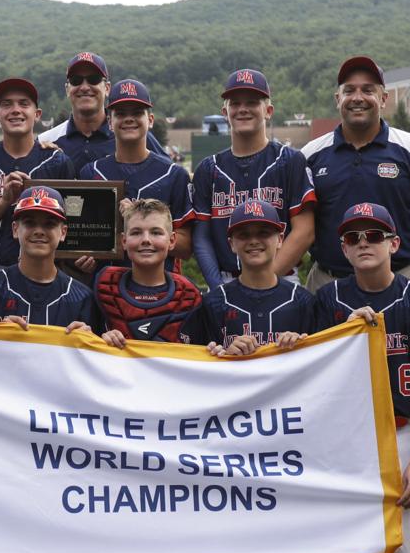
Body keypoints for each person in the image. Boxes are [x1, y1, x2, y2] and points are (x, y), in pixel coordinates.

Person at [313, 202, 410, 553]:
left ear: (393, 244)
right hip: (344, 437)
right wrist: (343, 332)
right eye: (353, 237)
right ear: (343, 248)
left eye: (375, 235)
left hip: (401, 432)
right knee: (329, 546)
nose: (364, 243)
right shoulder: (327, 300)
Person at [302, 56, 410, 291]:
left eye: (368, 90)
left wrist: (400, 258)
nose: (358, 98)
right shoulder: (310, 155)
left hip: (399, 279)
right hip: (328, 282)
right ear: (338, 99)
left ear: (383, 98)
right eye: (349, 91)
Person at [193, 69, 316, 289]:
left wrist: (263, 281)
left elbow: (304, 231)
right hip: (225, 281)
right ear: (225, 111)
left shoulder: (290, 161)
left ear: (268, 110)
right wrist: (217, 288)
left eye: (252, 102)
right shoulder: (208, 169)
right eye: (235, 103)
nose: (242, 109)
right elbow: (202, 237)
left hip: (282, 279)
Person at [0, 78, 74, 290]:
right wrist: (3, 203)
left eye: (24, 103)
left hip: (44, 268)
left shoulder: (57, 161)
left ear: (37, 114)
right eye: (7, 104)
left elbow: (73, 226)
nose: (15, 110)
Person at [79, 79, 194, 273]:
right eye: (121, 113)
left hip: (161, 290)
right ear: (109, 122)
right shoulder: (90, 172)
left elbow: (186, 247)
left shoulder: (174, 174)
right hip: (105, 289)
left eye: (137, 113)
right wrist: (82, 255)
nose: (129, 118)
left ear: (150, 120)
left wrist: (140, 217)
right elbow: (79, 236)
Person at [184, 200, 316, 354]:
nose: (253, 241)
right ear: (232, 243)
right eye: (244, 235)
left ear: (280, 239)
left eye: (264, 233)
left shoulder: (303, 301)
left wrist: (301, 345)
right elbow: (193, 363)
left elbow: (325, 359)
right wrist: (225, 355)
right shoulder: (212, 304)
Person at [0, 186, 96, 331]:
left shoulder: (82, 298)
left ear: (63, 232)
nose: (39, 231)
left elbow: (98, 350)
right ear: (15, 229)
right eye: (29, 223)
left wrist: (89, 338)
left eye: (49, 224)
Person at [94, 199, 203, 348]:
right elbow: (85, 340)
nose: (146, 240)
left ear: (171, 241)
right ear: (124, 241)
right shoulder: (104, 286)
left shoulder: (189, 296)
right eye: (136, 232)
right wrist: (98, 339)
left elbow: (205, 352)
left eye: (156, 232)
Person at [38, 52, 166, 172]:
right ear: (67, 89)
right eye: (76, 80)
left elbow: (168, 176)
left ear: (107, 88)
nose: (84, 87)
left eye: (94, 79)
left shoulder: (135, 135)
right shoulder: (46, 140)